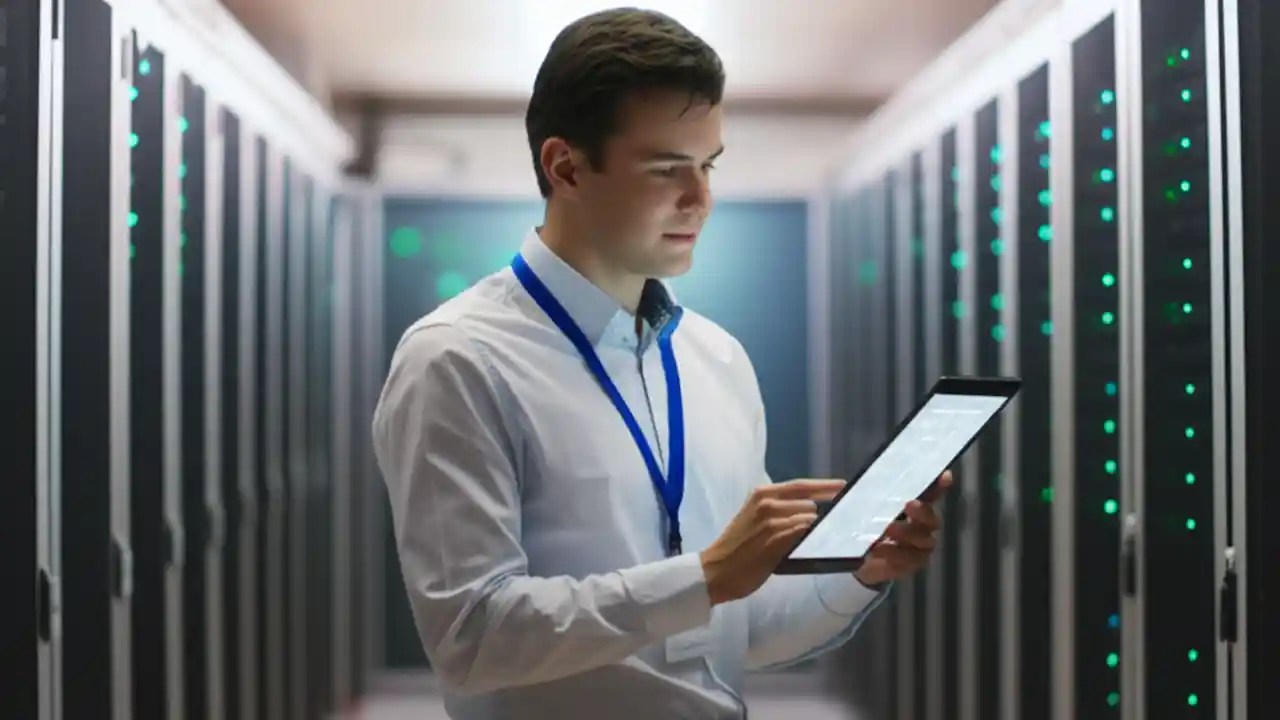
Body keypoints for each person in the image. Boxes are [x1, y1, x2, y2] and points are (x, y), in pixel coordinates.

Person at [371, 7, 950, 719]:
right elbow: (473, 637)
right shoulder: (457, 358)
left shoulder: (716, 358)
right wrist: (702, 577)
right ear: (566, 167)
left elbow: (745, 629)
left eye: (707, 166)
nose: (701, 199)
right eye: (667, 168)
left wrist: (858, 572)